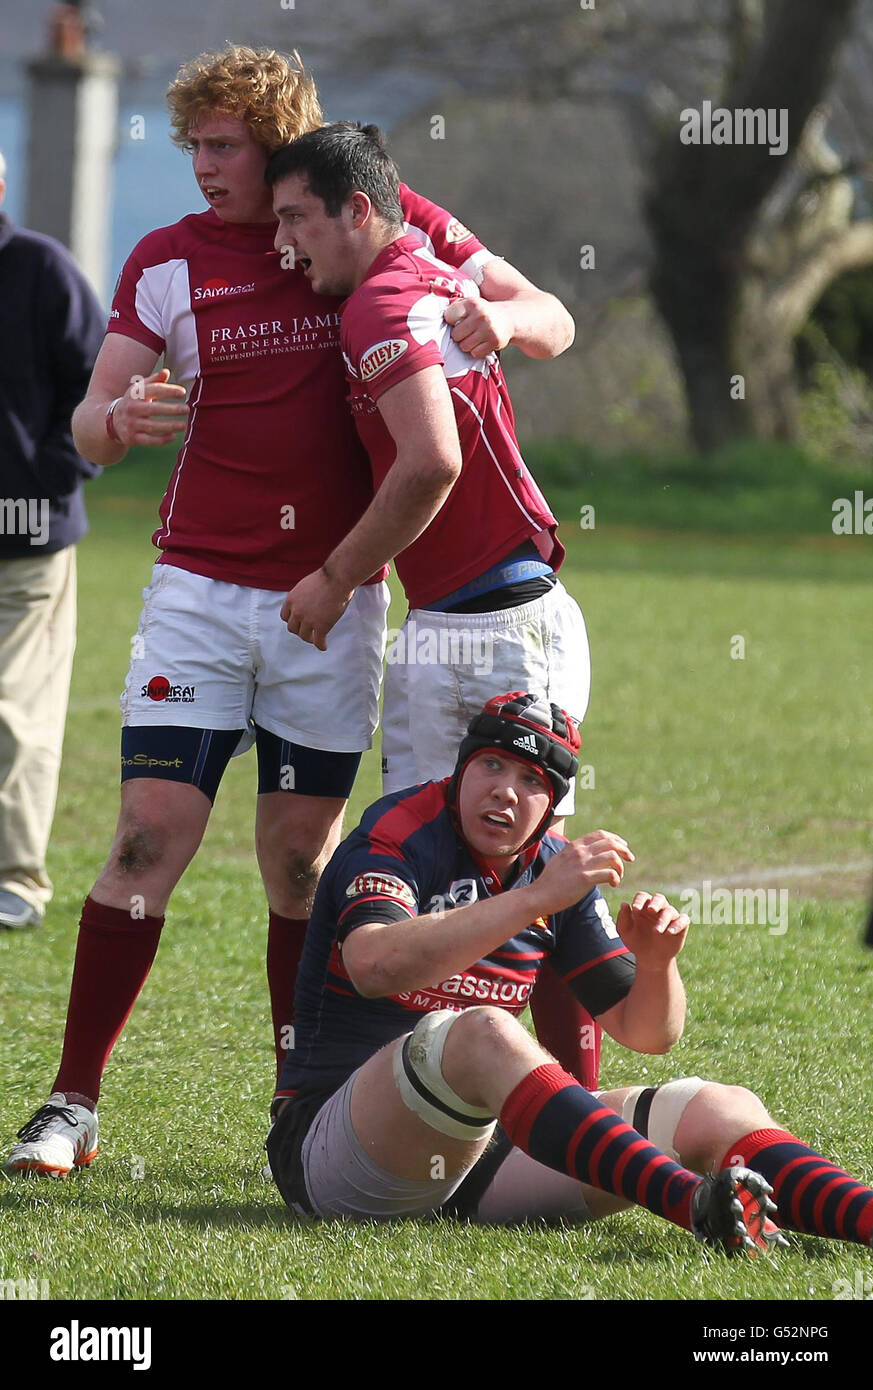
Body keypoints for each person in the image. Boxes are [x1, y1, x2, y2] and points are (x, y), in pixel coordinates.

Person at [4, 46, 575, 1177]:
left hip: (335, 603)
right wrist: (122, 419)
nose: (204, 169)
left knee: (298, 864)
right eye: (193, 146)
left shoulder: (378, 217)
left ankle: (294, 1097)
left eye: (224, 147)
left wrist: (500, 322)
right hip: (198, 598)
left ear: (282, 151)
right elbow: (87, 421)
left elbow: (546, 310)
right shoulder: (166, 258)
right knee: (143, 839)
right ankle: (70, 1102)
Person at [267, 693, 873, 1255]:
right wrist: (535, 900)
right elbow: (374, 965)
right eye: (491, 766)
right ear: (460, 771)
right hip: (336, 1154)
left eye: (531, 780)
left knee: (721, 1107)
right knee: (480, 1031)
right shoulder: (398, 831)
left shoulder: (554, 868)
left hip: (474, 1162)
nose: (504, 792)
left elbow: (649, 1034)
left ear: (553, 803)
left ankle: (869, 1219)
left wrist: (658, 964)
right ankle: (693, 1203)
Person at [267, 121, 599, 1088]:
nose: (285, 244)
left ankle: (543, 1106)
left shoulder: (382, 293)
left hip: (499, 622)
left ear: (358, 207)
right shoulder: (416, 246)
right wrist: (507, 319)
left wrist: (333, 579)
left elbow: (434, 461)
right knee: (461, 866)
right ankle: (454, 1091)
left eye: (296, 219)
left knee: (514, 870)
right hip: (475, 617)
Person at [0, 147, 105, 932]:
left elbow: (103, 383)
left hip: (26, 539)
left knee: (13, 713)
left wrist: (49, 474)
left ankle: (15, 883)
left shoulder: (42, 268)